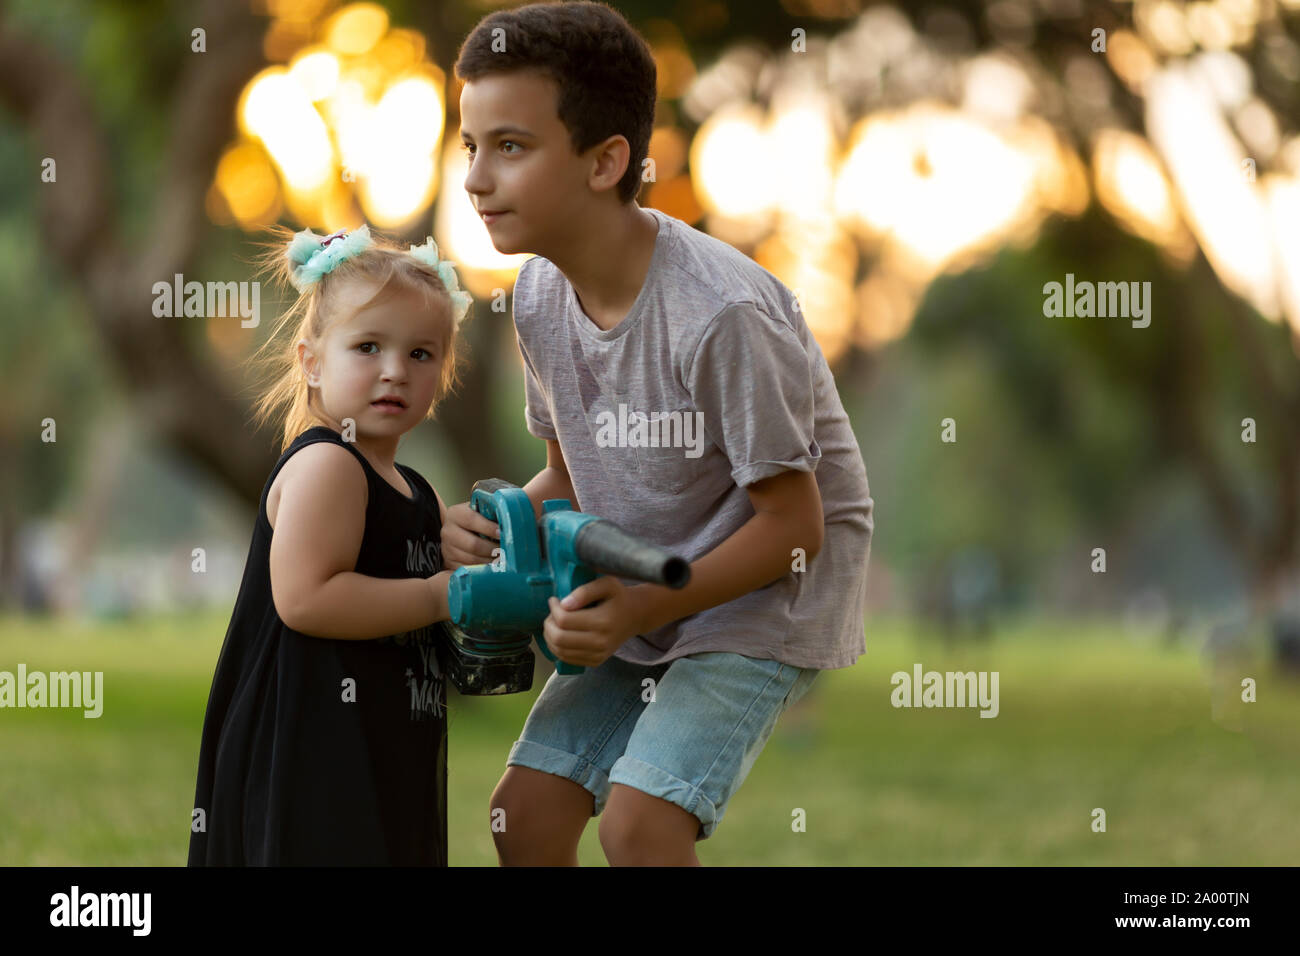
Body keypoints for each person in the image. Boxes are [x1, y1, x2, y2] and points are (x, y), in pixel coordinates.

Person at [444, 1, 874, 866]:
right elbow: (569, 474)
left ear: (606, 162)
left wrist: (639, 606)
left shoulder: (720, 315)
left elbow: (796, 527)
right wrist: (493, 528)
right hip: (638, 576)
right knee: (522, 818)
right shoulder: (536, 296)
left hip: (763, 588)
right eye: (471, 147)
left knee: (641, 825)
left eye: (511, 148)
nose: (476, 180)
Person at [187, 224, 472, 866]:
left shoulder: (414, 489)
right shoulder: (329, 466)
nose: (395, 370)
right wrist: (440, 594)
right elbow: (307, 599)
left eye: (422, 354)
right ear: (311, 360)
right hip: (312, 748)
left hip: (380, 743)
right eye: (368, 347)